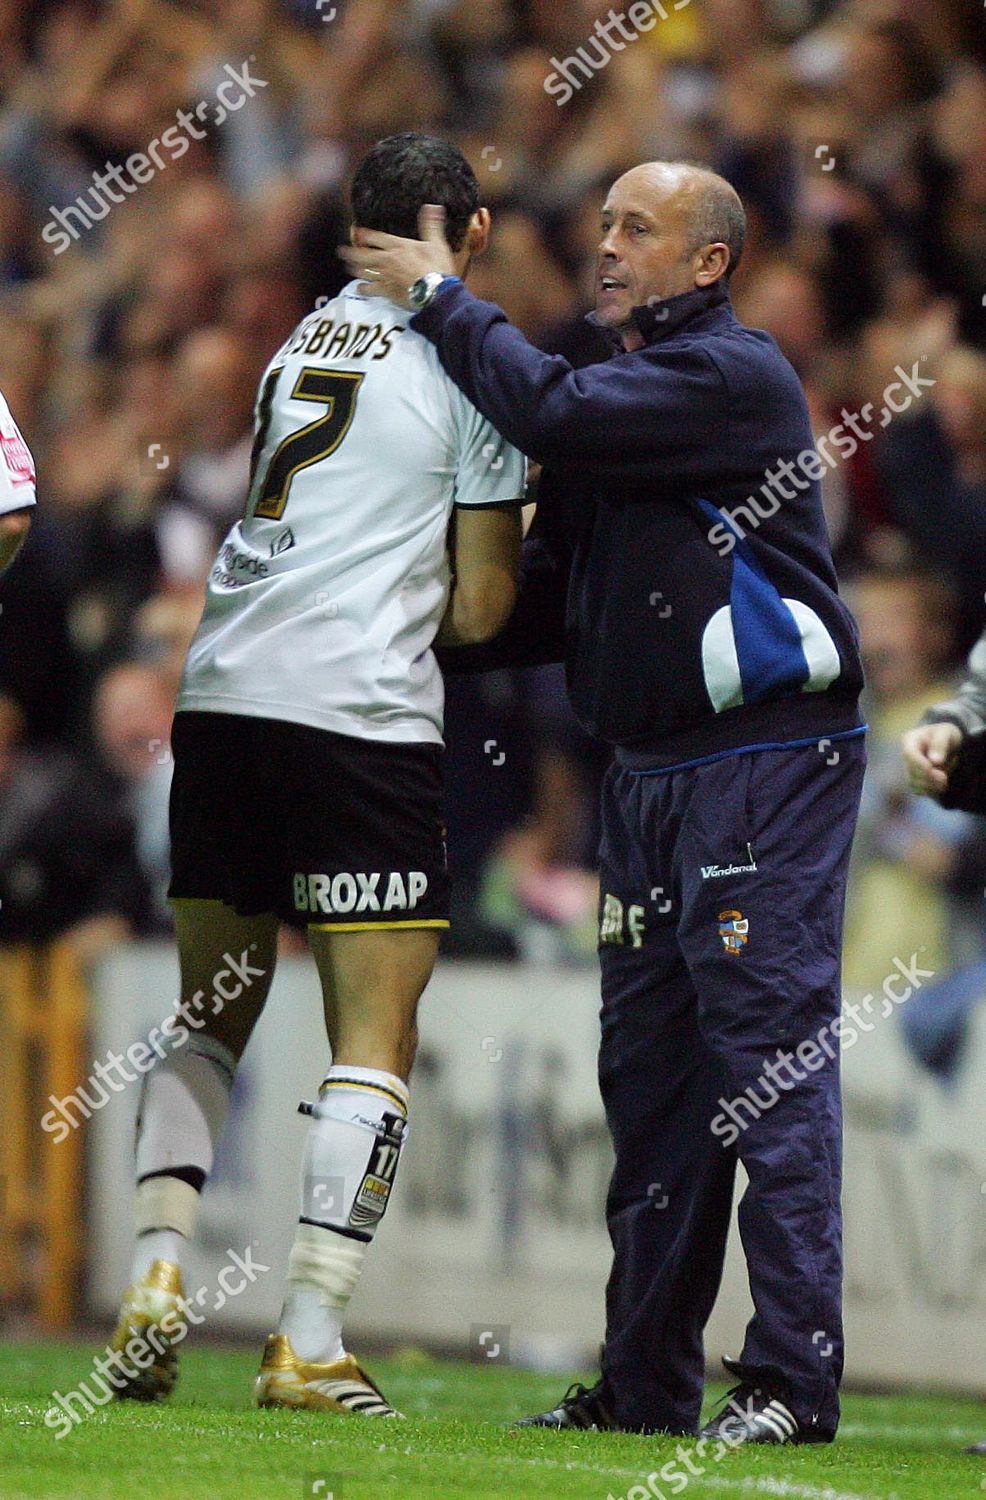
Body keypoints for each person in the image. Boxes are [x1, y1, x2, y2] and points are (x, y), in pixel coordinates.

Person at [343, 159, 866, 1444]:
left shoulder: (726, 378)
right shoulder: (618, 395)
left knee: (766, 1072)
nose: (610, 246)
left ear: (709, 262)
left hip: (759, 762)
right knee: (653, 1092)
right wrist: (379, 622)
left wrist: (441, 301)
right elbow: (545, 601)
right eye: (606, 225)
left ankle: (790, 1385)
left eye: (639, 228)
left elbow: (550, 411)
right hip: (647, 774)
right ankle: (643, 1388)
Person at [108, 133, 524, 1417]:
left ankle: (157, 1273)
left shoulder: (296, 343)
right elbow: (480, 610)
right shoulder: (475, 367)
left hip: (223, 699)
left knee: (209, 1015)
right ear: (473, 230)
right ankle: (306, 1335)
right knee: (373, 1036)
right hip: (358, 718)